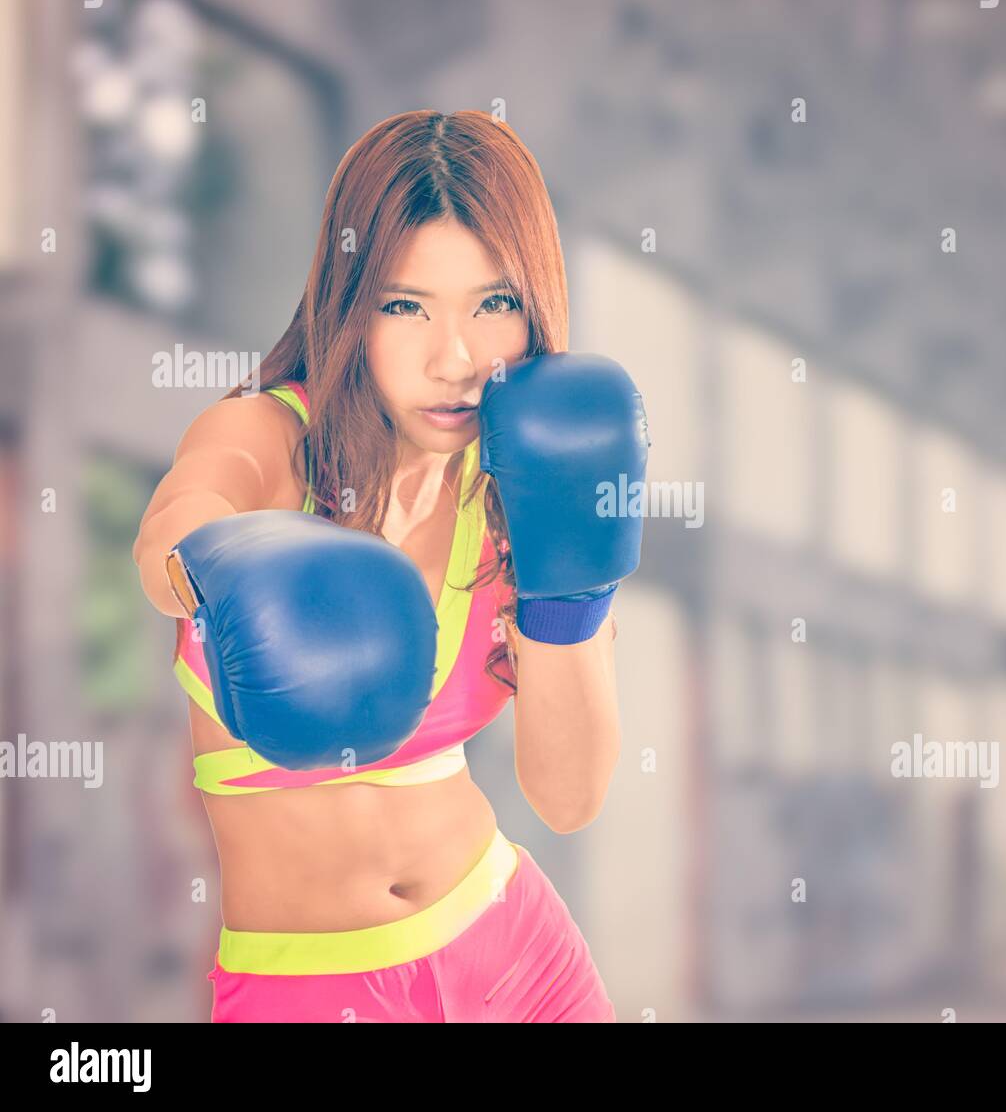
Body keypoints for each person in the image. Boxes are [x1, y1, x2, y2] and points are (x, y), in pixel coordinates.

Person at [132, 109, 647, 1022]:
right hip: (309, 987)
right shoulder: (269, 438)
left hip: (520, 960)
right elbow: (178, 523)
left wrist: (569, 591)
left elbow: (568, 797)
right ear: (349, 306)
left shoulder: (525, 483)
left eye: (494, 303)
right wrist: (225, 562)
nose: (454, 359)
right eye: (405, 305)